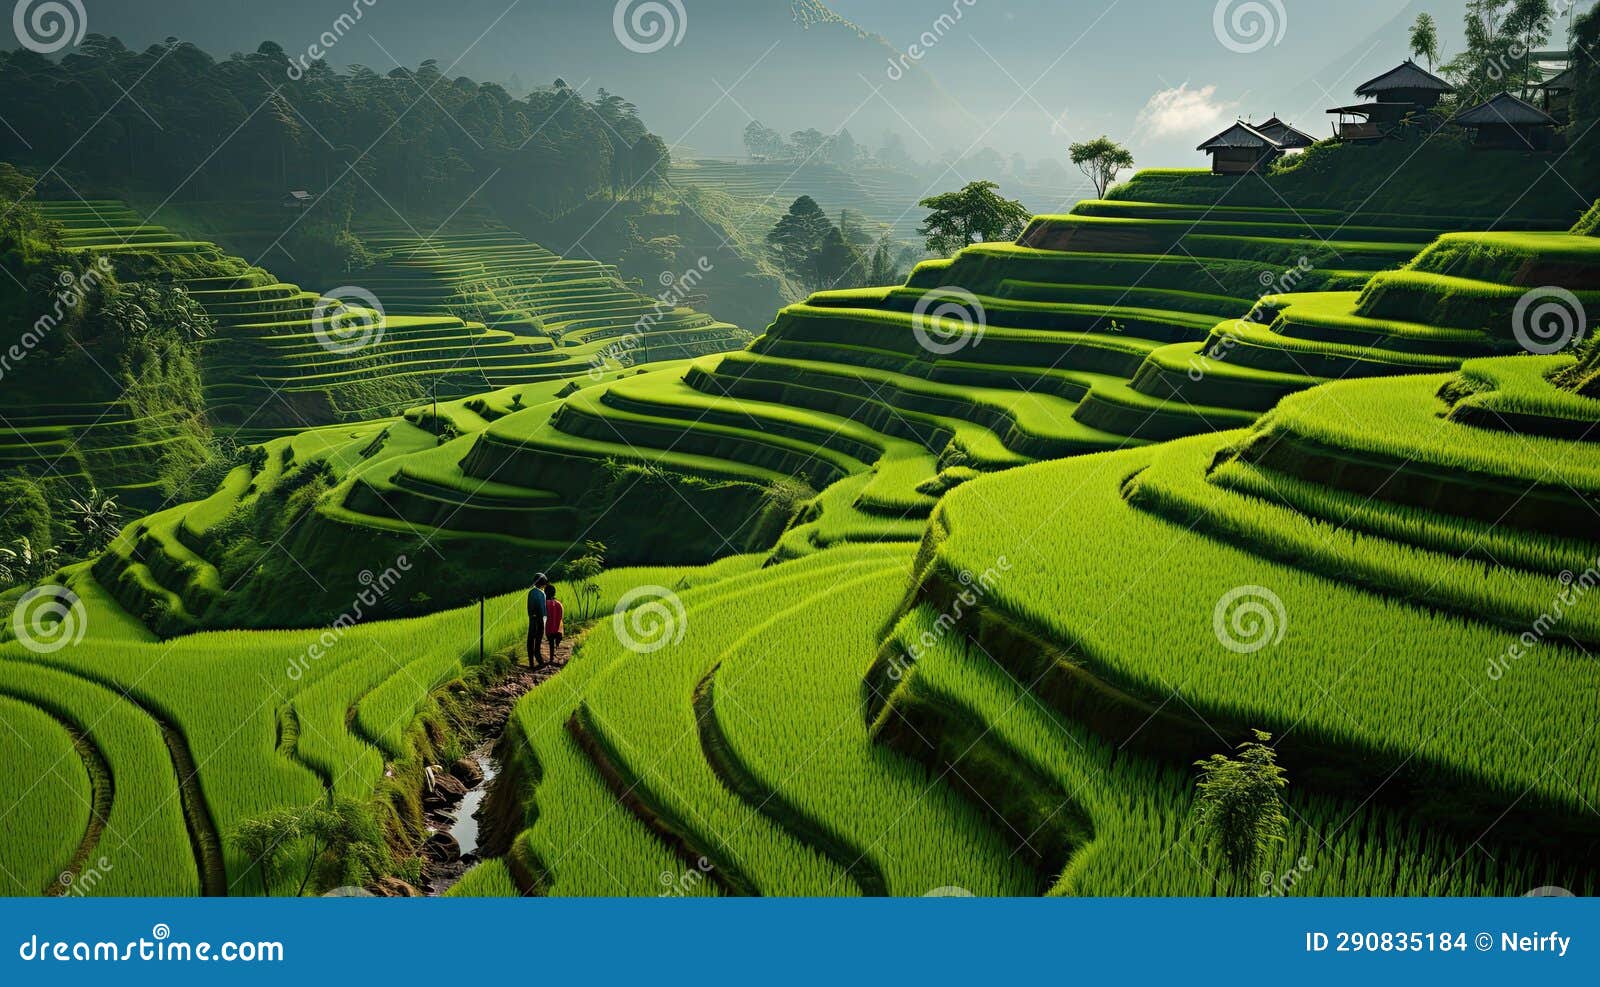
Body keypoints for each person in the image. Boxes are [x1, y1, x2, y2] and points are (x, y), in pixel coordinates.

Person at [526, 572, 548, 668]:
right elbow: (543, 609)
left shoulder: (530, 593)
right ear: (543, 583)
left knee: (530, 640)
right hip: (539, 620)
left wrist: (532, 616)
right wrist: (544, 621)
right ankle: (539, 660)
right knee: (537, 641)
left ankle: (531, 662)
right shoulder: (542, 594)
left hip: (532, 619)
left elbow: (529, 607)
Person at [543, 585, 565, 665]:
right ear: (554, 593)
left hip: (549, 627)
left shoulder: (545, 604)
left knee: (551, 642)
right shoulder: (559, 604)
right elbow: (561, 616)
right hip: (558, 627)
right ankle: (557, 647)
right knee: (556, 639)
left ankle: (552, 657)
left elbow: (543, 616)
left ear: (545, 593)